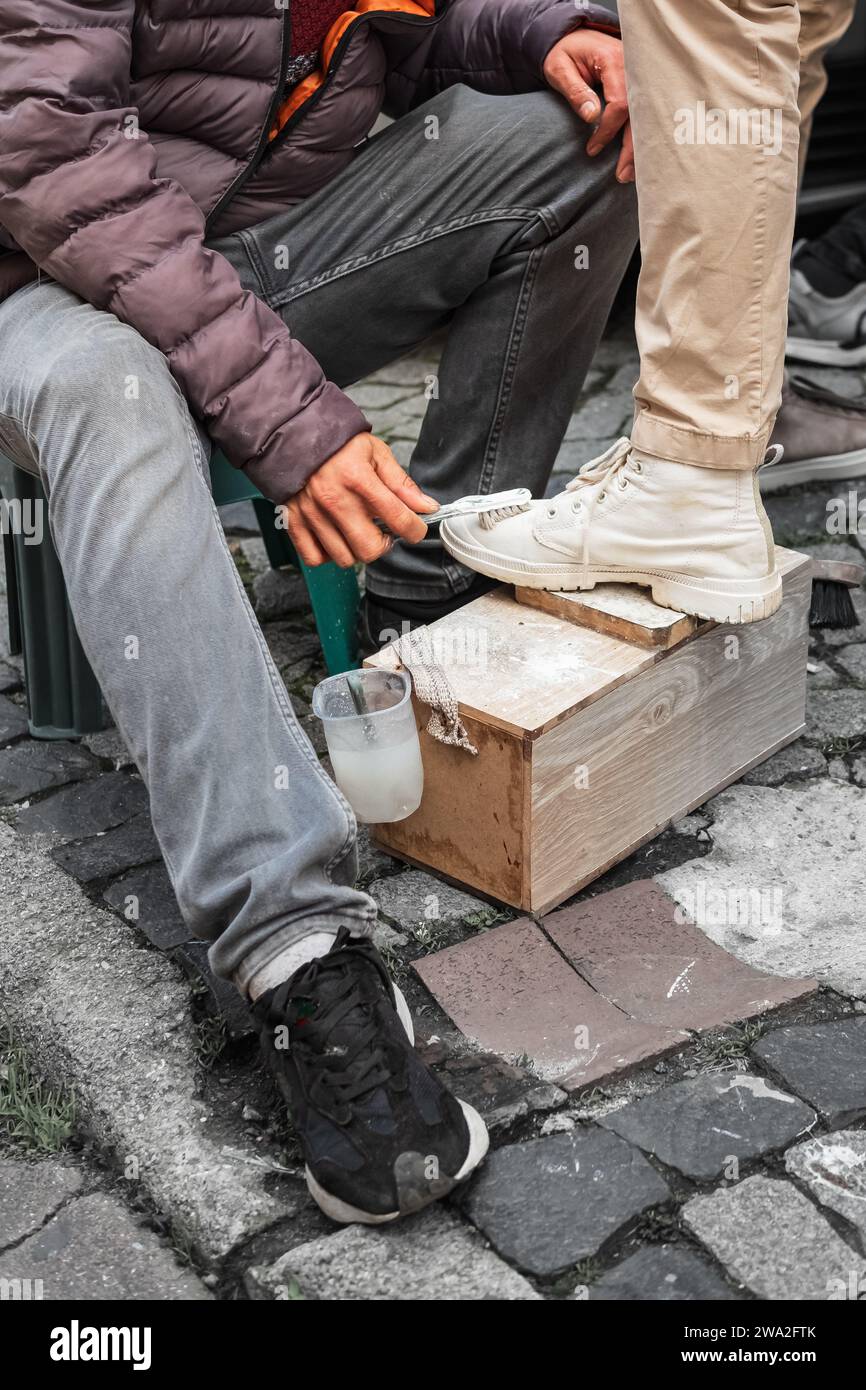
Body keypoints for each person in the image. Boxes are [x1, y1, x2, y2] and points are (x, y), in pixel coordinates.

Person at [0, 0, 637, 1225]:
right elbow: (45, 150)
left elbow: (408, 27)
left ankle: (426, 590)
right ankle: (295, 948)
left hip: (238, 257)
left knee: (586, 141)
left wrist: (537, 37)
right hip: (46, 279)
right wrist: (288, 422)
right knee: (114, 388)